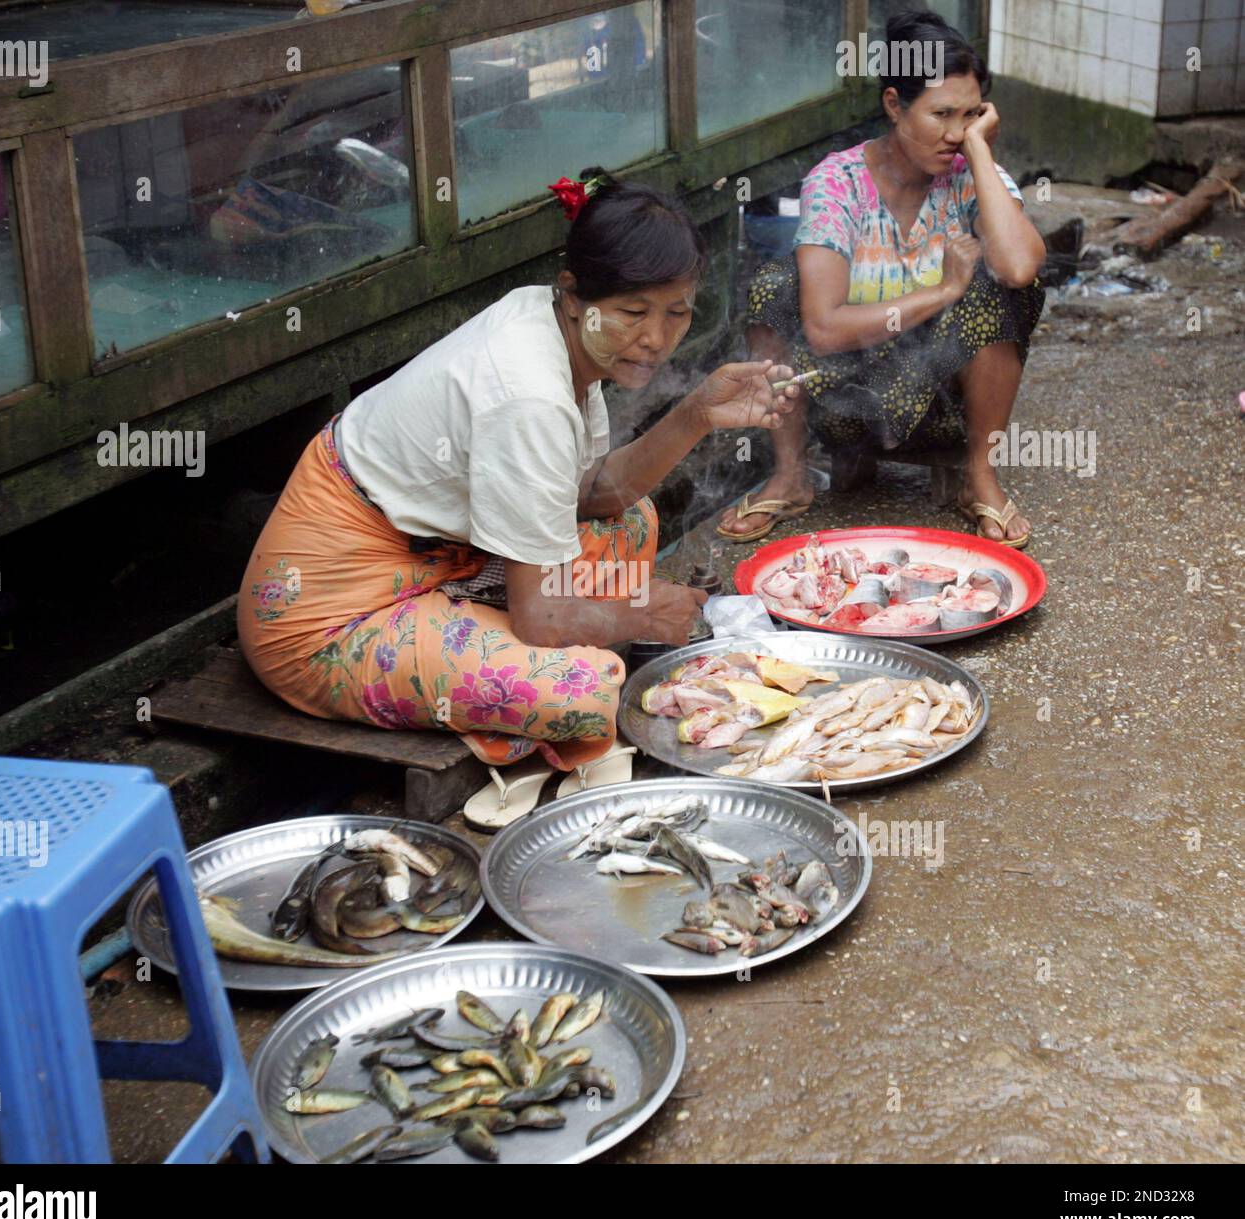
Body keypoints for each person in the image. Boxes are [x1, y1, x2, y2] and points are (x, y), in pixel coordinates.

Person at [238, 167, 796, 779]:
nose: (655, 338)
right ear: (573, 293)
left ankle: (464, 627)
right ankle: (464, 650)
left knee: (628, 525)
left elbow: (596, 495)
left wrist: (695, 415)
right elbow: (542, 619)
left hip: (441, 560)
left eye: (677, 313)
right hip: (326, 620)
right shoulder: (529, 394)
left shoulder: (557, 330)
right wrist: (640, 615)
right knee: (584, 693)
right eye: (633, 311)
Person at [717, 9, 1046, 549]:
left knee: (1002, 287)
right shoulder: (837, 182)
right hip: (846, 403)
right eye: (941, 114)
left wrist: (982, 152)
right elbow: (822, 329)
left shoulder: (972, 172)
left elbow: (1018, 265)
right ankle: (791, 474)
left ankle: (978, 476)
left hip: (942, 406)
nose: (956, 133)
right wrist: (940, 291)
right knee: (775, 284)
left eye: (971, 115)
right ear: (894, 104)